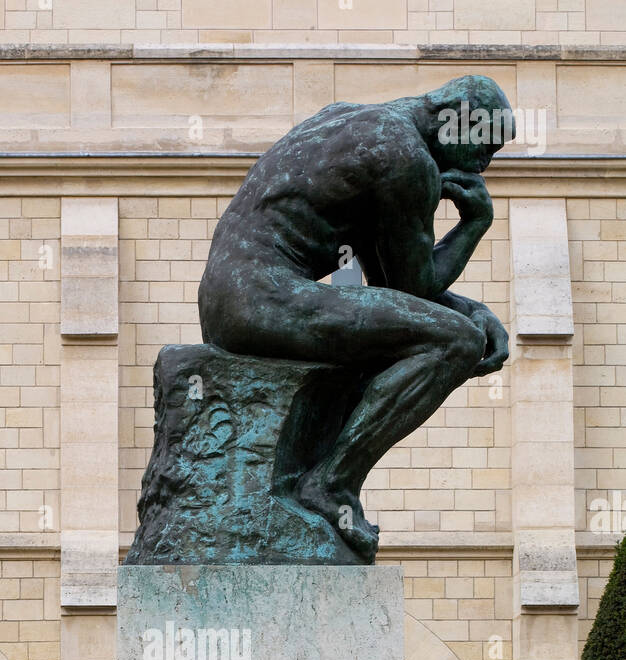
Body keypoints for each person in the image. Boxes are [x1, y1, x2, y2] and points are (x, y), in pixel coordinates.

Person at [198, 74, 513, 561]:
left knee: (446, 328)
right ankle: (331, 484)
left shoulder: (351, 117)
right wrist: (475, 223)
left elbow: (389, 285)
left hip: (232, 296)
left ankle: (323, 477)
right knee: (454, 343)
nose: (483, 166)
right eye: (484, 147)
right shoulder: (406, 160)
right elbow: (416, 288)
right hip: (261, 298)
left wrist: (470, 307)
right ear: (456, 122)